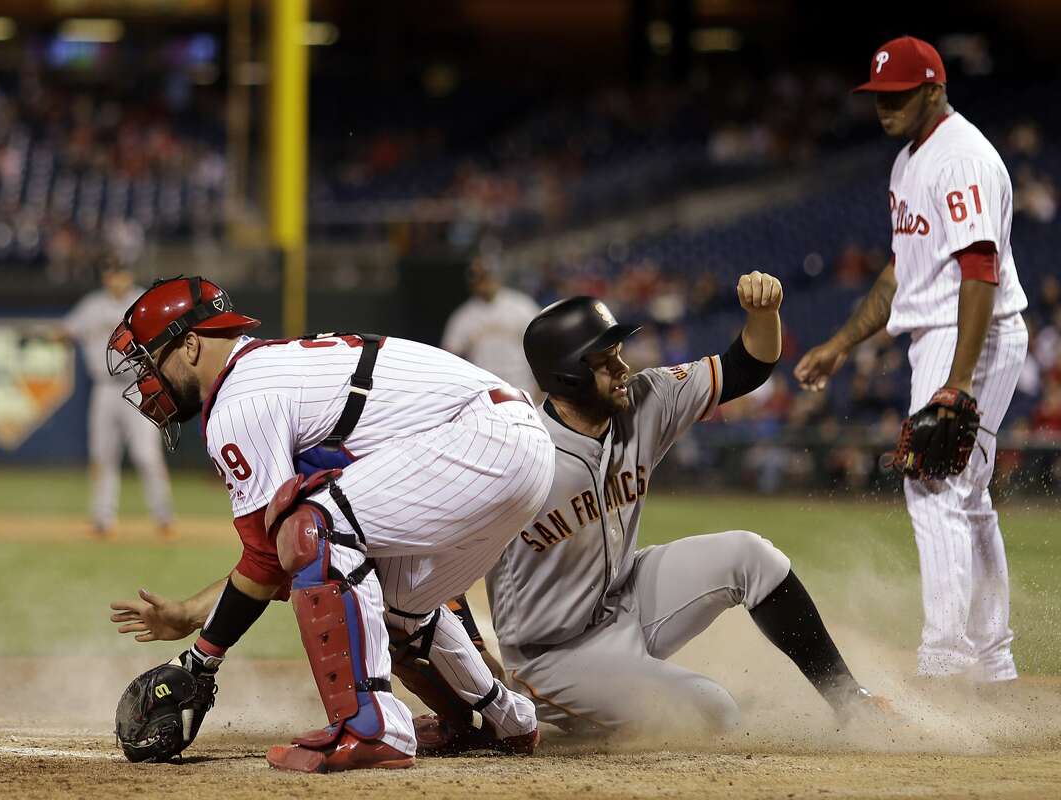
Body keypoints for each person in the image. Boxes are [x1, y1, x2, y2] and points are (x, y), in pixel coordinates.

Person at [410, 275, 894, 751]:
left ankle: (851, 701)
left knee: (751, 556)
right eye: (605, 361)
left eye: (619, 353)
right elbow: (435, 560)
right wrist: (475, 658)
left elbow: (746, 367)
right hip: (549, 656)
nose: (623, 368)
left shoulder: (645, 399)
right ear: (567, 376)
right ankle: (559, 711)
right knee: (714, 710)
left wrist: (764, 316)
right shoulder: (516, 454)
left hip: (626, 602)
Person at [103, 276, 554, 772]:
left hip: (486, 442)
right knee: (388, 597)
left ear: (189, 345)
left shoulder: (240, 398)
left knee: (314, 524)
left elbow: (276, 555)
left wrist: (202, 657)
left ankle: (368, 727)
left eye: (152, 359)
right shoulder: (270, 372)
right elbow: (283, 561)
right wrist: (196, 614)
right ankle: (503, 721)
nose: (147, 381)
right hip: (510, 444)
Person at [794, 36, 1028, 686]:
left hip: (968, 333)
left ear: (934, 87)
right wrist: (841, 344)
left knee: (933, 484)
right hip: (947, 331)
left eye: (898, 94)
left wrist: (957, 381)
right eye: (878, 95)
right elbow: (903, 271)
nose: (884, 105)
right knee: (966, 495)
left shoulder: (962, 158)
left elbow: (980, 269)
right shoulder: (909, 161)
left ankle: (948, 665)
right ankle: (992, 663)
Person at [59, 257, 174, 539]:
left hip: (139, 385)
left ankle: (164, 517)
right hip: (104, 388)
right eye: (111, 273)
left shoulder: (143, 303)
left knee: (146, 455)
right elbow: (66, 332)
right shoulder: (92, 306)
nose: (116, 278)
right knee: (102, 455)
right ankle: (102, 519)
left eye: (120, 273)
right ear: (105, 277)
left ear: (128, 275)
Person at [442, 257, 541, 398]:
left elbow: (542, 345)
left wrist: (541, 387)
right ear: (472, 283)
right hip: (484, 391)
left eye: (487, 276)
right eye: (479, 278)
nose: (484, 283)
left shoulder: (522, 305)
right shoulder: (463, 316)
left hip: (522, 385)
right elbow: (449, 356)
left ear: (496, 277)